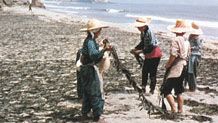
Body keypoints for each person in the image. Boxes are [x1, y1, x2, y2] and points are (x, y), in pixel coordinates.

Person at [79, 19, 112, 122]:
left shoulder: (90, 41)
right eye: (99, 30)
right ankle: (97, 116)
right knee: (96, 92)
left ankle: (85, 113)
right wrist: (104, 50)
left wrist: (101, 47)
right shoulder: (89, 42)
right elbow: (93, 55)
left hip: (84, 68)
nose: (100, 32)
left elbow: (93, 51)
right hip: (89, 69)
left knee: (87, 92)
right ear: (95, 31)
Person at [163, 19, 190, 113]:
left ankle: (173, 108)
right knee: (179, 90)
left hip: (176, 67)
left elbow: (173, 55)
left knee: (166, 90)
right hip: (184, 66)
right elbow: (188, 55)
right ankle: (180, 109)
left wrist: (168, 65)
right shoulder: (187, 41)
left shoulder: (175, 40)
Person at [130, 17, 162, 94]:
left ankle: (152, 89)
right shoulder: (143, 32)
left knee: (152, 73)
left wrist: (139, 51)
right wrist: (135, 48)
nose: (138, 28)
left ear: (144, 26)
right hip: (148, 54)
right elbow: (143, 43)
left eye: (139, 27)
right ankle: (143, 87)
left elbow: (151, 46)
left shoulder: (148, 32)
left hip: (154, 54)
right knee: (144, 71)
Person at [186, 22, 203, 91]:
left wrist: (191, 48)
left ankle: (193, 88)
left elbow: (199, 47)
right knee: (190, 72)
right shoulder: (192, 36)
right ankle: (192, 87)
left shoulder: (196, 38)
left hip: (194, 56)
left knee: (192, 72)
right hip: (192, 55)